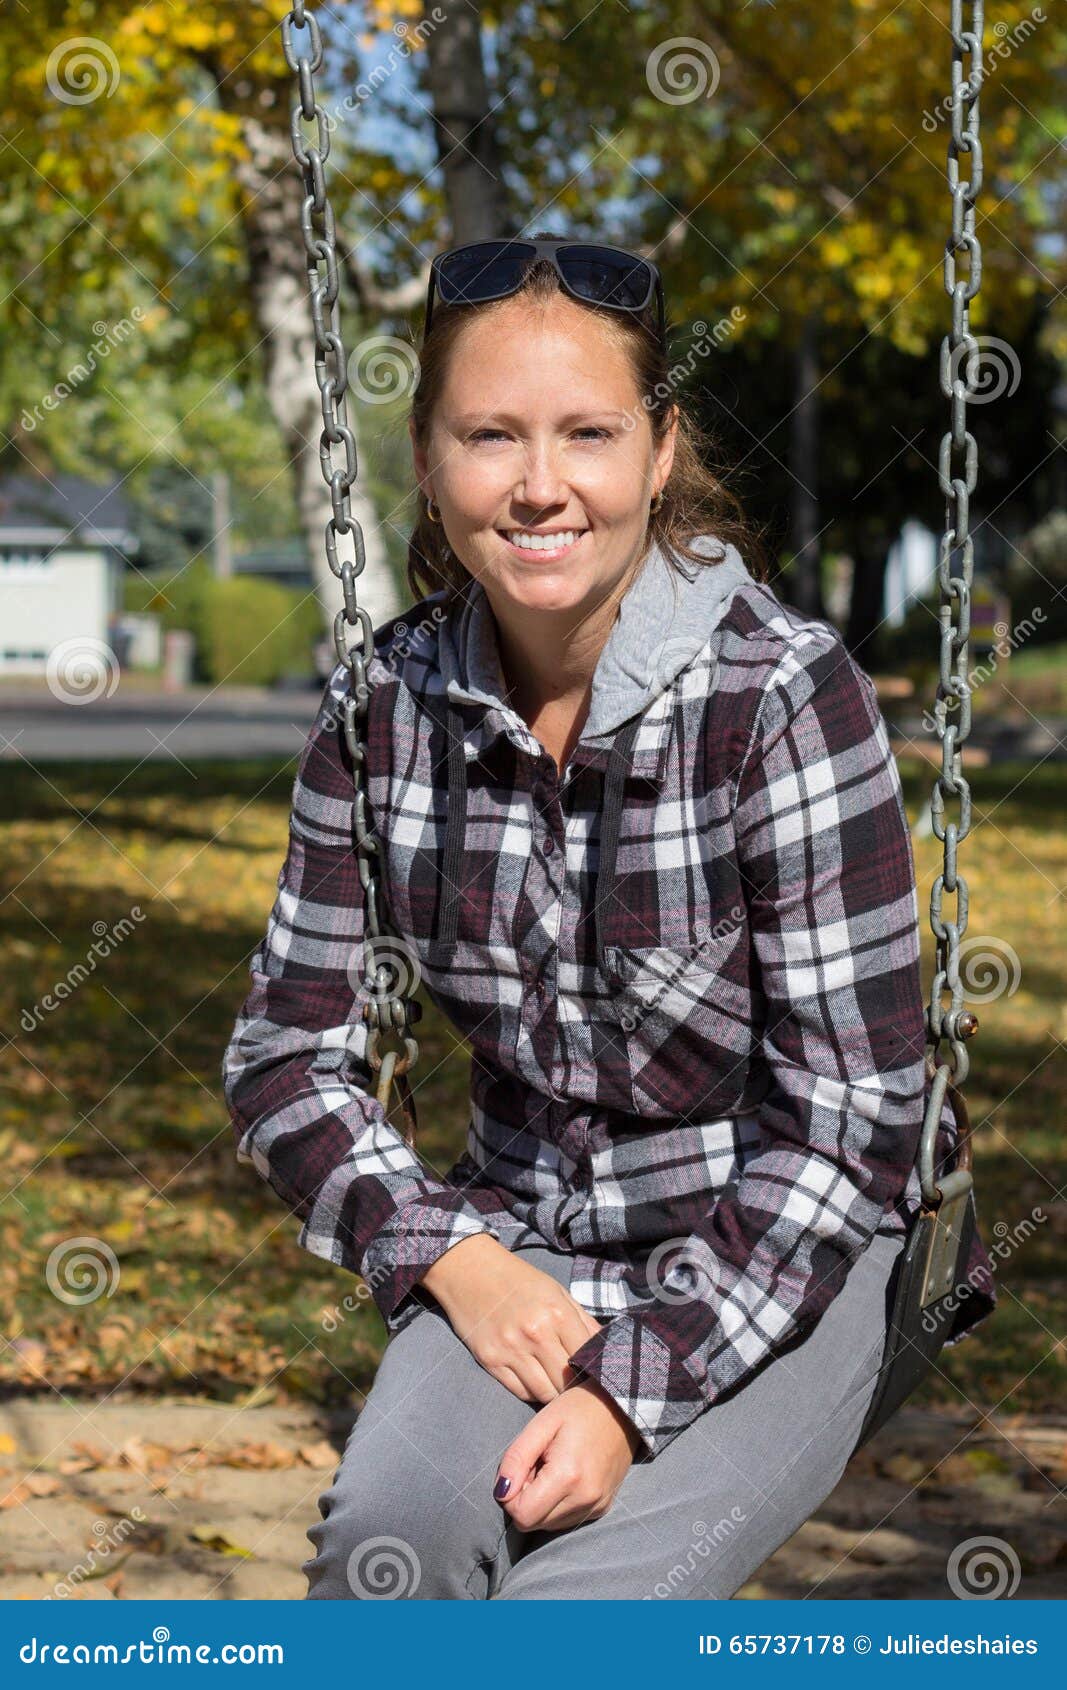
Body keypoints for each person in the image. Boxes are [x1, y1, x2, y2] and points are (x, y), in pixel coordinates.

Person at [221, 234, 996, 1601]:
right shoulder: (381, 711)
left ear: (658, 447)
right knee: (382, 1562)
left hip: (805, 1243)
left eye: (588, 432)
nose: (538, 485)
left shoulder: (780, 699)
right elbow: (285, 1056)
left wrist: (628, 1391)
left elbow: (850, 1125)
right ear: (426, 459)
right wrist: (449, 1251)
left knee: (577, 1615)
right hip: (524, 1242)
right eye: (489, 435)